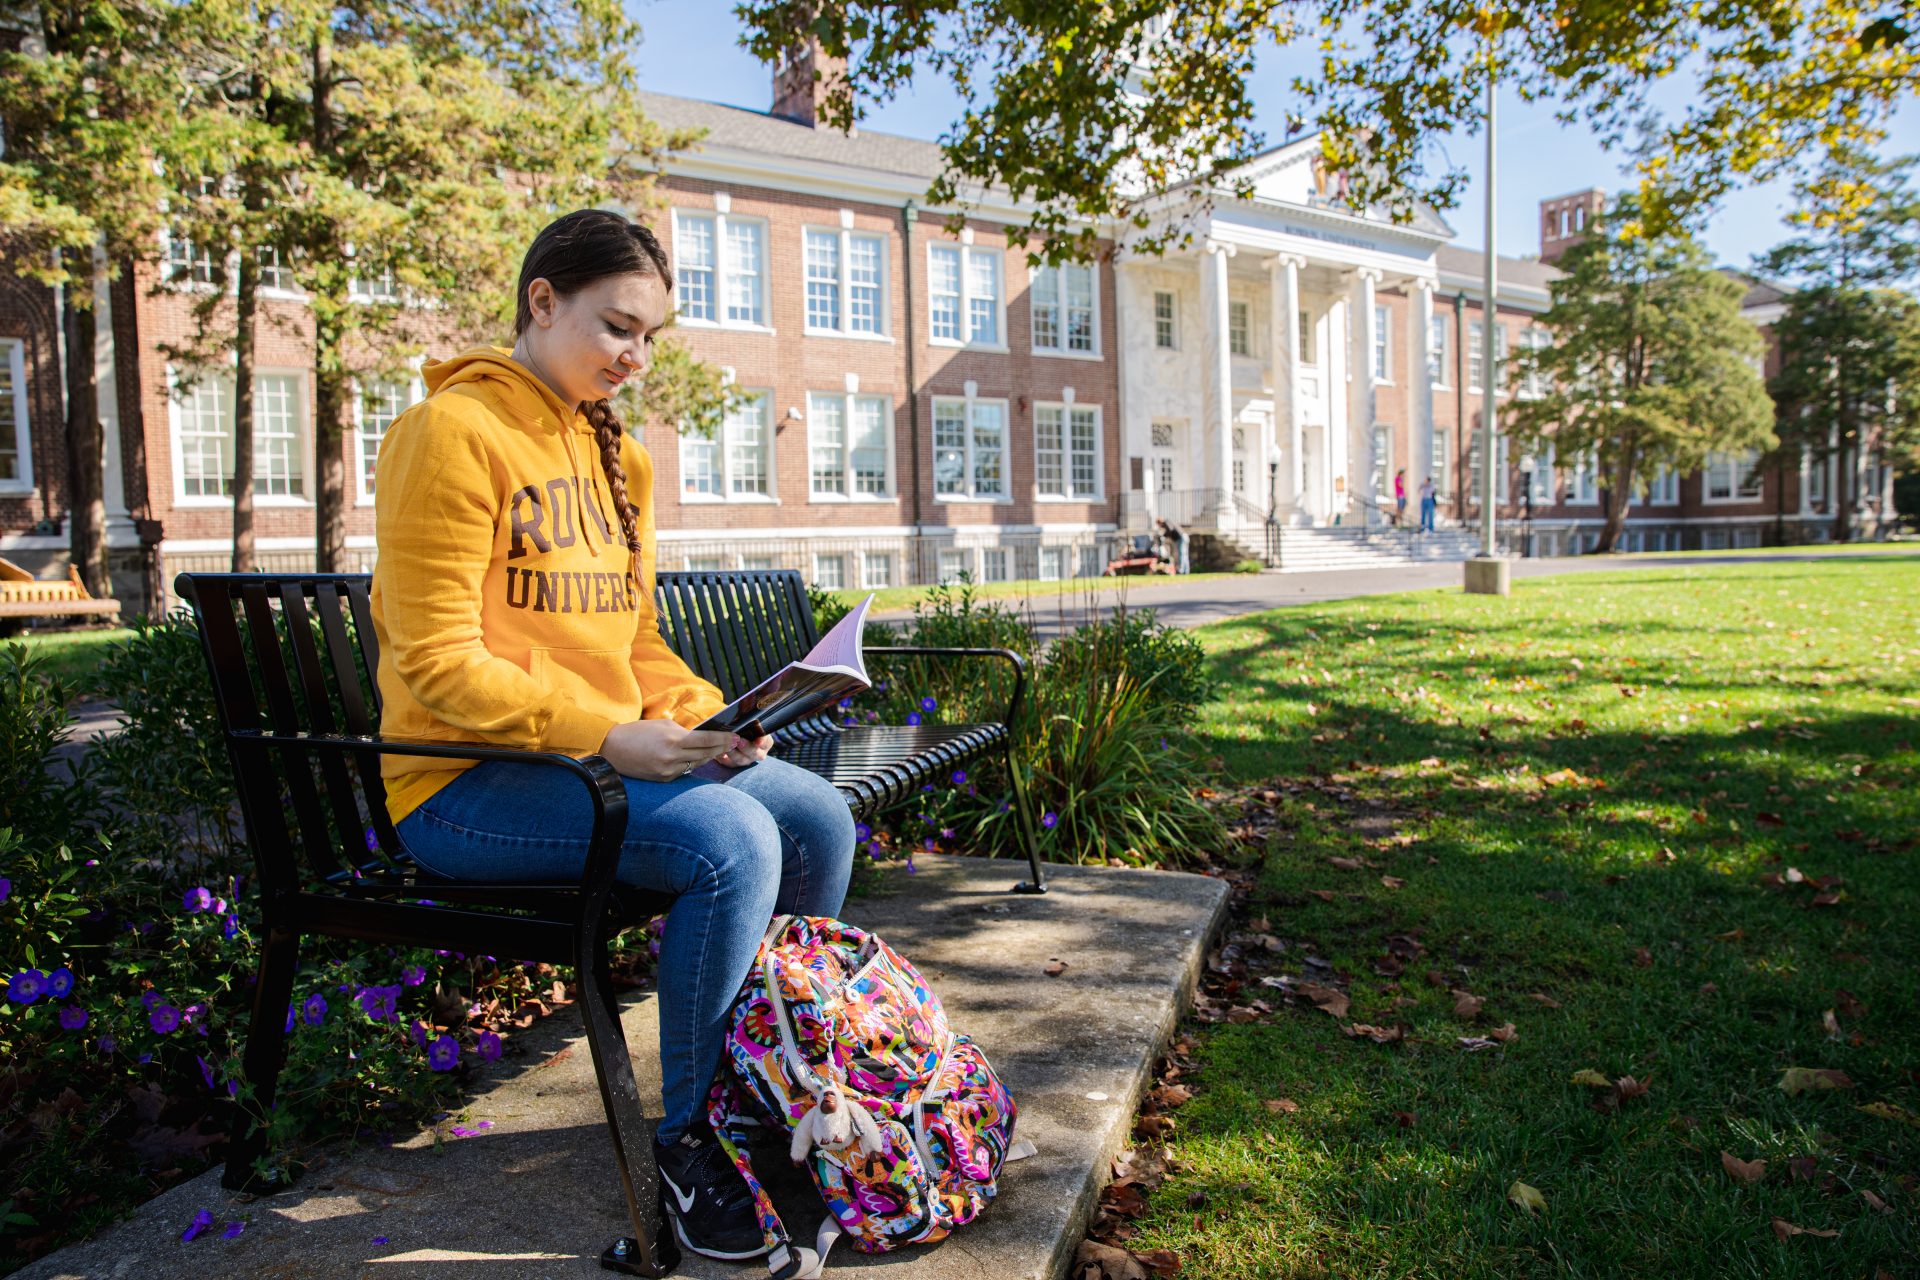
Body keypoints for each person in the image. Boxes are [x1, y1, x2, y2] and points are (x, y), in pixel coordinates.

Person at [371, 209, 854, 1264]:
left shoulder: (618, 458)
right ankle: (688, 1143)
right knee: (729, 842)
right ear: (542, 301)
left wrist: (710, 714)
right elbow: (433, 663)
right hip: (467, 786)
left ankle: (762, 1090)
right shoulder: (450, 433)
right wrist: (608, 734)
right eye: (616, 328)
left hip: (592, 761)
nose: (634, 358)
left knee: (816, 811)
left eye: (650, 339)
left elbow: (636, 640)